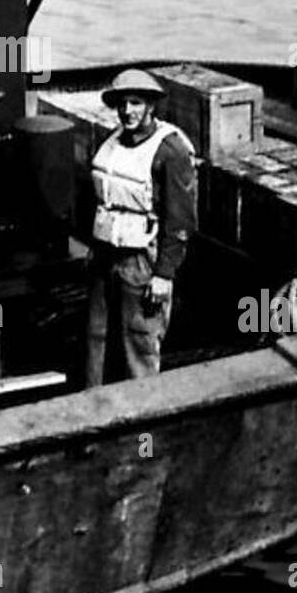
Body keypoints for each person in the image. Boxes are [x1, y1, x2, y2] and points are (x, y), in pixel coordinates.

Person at [86, 69, 197, 385]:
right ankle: (93, 412)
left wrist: (164, 273)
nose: (128, 111)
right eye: (122, 103)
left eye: (136, 103)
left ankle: (142, 423)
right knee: (98, 338)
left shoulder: (170, 149)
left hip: (141, 261)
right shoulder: (113, 143)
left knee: (139, 343)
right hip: (105, 256)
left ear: (151, 106)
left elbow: (181, 221)